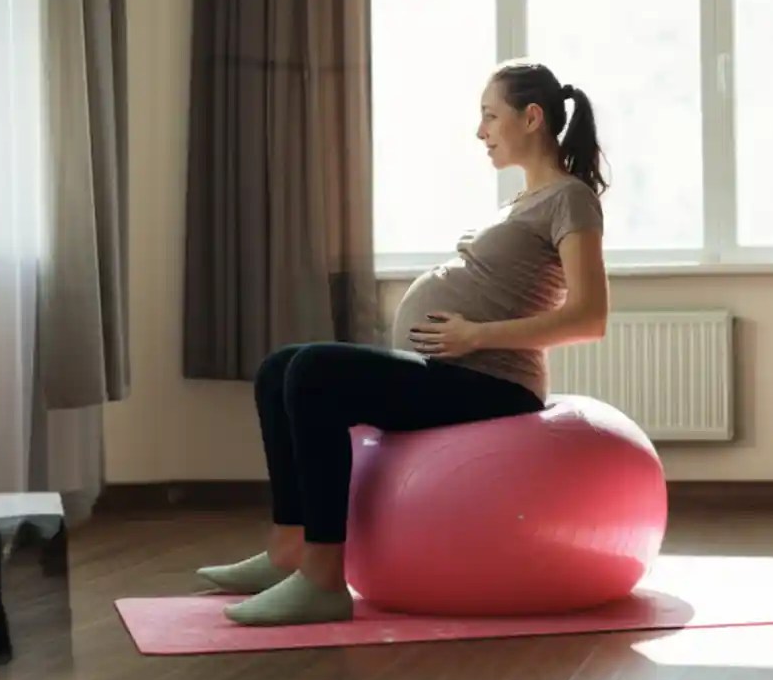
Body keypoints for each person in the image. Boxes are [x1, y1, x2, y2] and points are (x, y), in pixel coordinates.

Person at [196, 60, 611, 626]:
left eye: (491, 116)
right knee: (278, 369)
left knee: (314, 371)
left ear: (532, 117)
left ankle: (323, 580)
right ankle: (288, 549)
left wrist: (475, 335)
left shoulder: (570, 199)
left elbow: (589, 317)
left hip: (494, 383)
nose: (481, 131)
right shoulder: (520, 201)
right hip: (456, 370)